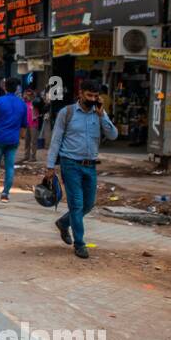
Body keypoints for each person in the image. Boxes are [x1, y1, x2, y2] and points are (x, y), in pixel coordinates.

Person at [47, 78, 118, 260]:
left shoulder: (99, 113)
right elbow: (55, 140)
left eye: (96, 96)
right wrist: (50, 166)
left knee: (89, 204)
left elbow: (113, 135)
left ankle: (64, 222)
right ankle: (80, 243)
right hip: (70, 164)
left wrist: (103, 115)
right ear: (80, 93)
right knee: (77, 204)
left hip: (90, 166)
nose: (92, 99)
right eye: (89, 95)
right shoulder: (67, 113)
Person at [0, 78, 28, 202]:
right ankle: (5, 194)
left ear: (5, 87)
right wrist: (20, 137)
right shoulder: (22, 104)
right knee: (10, 166)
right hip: (13, 139)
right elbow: (24, 126)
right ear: (16, 89)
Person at [21, 87, 39, 163]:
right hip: (26, 124)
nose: (27, 96)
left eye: (29, 95)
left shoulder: (35, 103)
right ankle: (26, 156)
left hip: (34, 124)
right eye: (26, 94)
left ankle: (33, 157)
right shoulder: (24, 103)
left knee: (33, 141)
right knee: (27, 141)